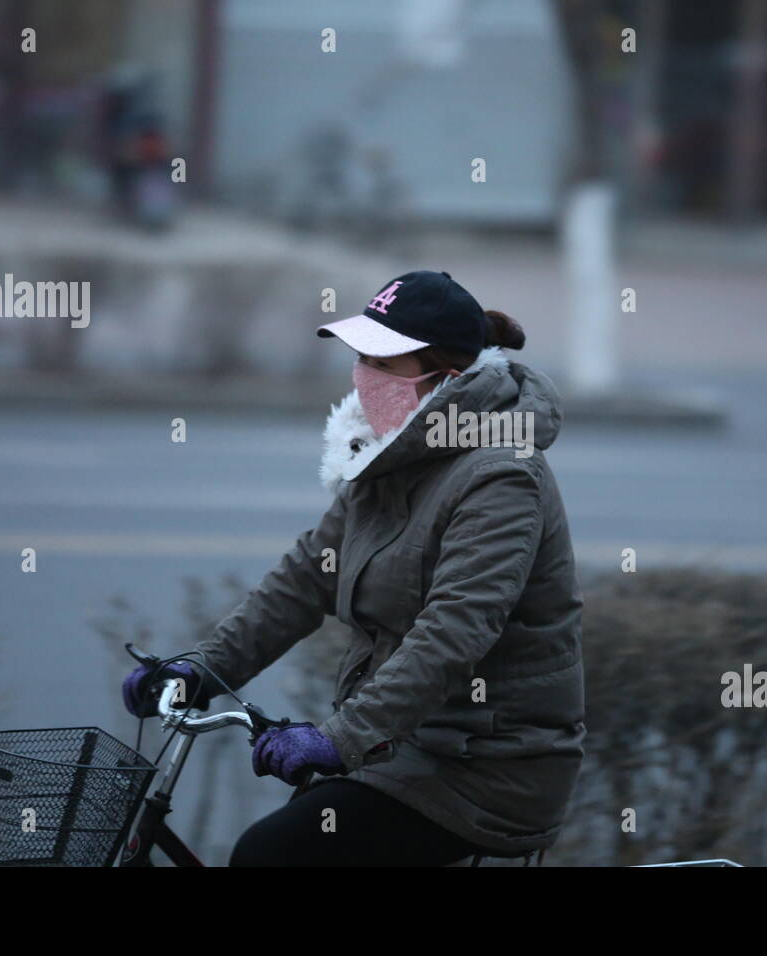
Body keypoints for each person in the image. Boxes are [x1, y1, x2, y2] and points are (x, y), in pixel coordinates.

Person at [123, 270, 586, 866]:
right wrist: (202, 668)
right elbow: (304, 579)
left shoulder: (500, 477)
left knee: (271, 856)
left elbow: (455, 632)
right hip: (399, 748)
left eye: (382, 362)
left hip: (485, 769)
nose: (364, 376)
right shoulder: (390, 457)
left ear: (444, 380)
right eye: (361, 356)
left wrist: (337, 738)